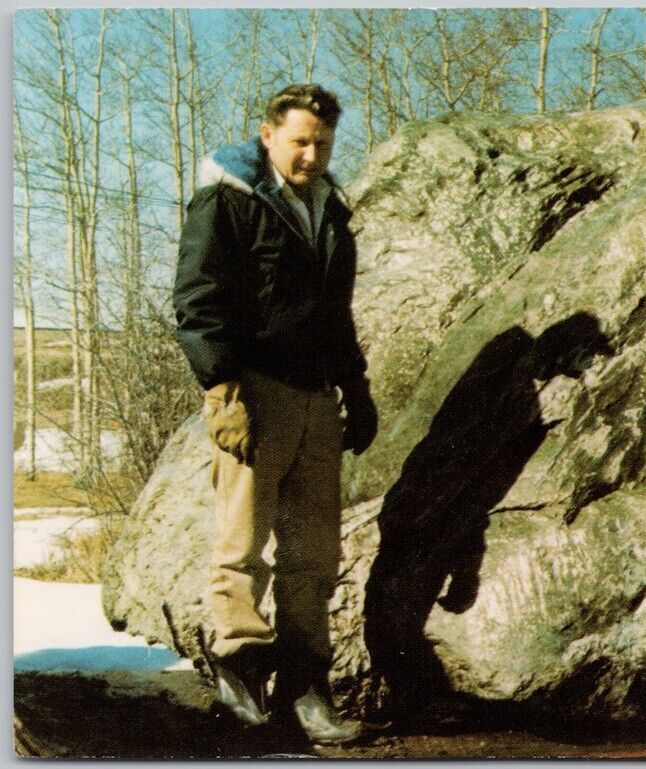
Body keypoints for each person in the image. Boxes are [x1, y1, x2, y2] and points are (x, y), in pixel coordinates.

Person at [173, 84, 378, 745]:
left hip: (318, 399)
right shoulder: (229, 200)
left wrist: (357, 387)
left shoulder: (329, 210)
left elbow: (335, 315)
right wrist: (221, 391)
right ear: (268, 137)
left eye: (321, 142)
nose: (310, 154)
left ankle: (305, 688)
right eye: (298, 141)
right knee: (241, 545)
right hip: (255, 394)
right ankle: (239, 679)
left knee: (313, 554)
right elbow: (198, 300)